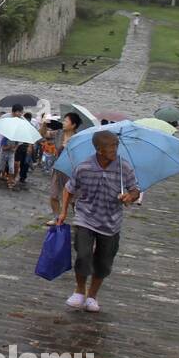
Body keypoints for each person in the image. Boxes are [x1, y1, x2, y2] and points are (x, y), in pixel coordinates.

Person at [56, 130, 140, 313]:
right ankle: (79, 291)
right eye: (111, 147)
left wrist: (129, 197)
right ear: (99, 149)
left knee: (103, 262)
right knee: (83, 254)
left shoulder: (123, 167)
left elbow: (135, 190)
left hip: (111, 221)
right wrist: (63, 212)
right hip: (86, 217)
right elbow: (69, 188)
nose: (114, 150)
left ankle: (92, 296)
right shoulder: (84, 167)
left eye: (116, 146)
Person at [47, 111, 82, 224]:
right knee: (54, 195)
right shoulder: (59, 133)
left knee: (73, 198)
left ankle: (79, 219)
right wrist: (43, 124)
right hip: (58, 169)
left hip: (72, 171)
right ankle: (57, 218)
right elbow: (44, 135)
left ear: (73, 125)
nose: (63, 123)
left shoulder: (79, 138)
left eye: (66, 121)